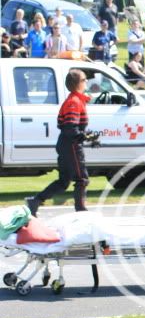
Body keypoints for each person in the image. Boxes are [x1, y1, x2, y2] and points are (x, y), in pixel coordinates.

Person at [26, 70, 93, 216]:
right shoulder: (74, 102)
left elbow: (72, 128)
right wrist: (84, 136)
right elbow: (70, 128)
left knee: (64, 181)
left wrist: (86, 136)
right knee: (82, 179)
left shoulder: (76, 100)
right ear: (78, 83)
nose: (87, 81)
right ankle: (81, 212)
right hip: (71, 145)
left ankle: (35, 201)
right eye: (84, 79)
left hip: (67, 144)